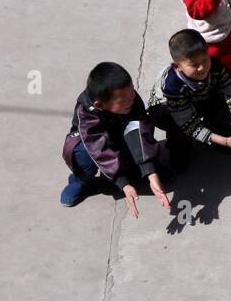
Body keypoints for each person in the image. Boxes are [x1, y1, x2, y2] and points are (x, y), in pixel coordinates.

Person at [60, 62, 171, 217]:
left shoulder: (130, 99)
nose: (132, 99)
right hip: (94, 145)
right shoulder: (86, 112)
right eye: (124, 101)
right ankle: (81, 181)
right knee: (81, 151)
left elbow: (139, 132)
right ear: (100, 105)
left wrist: (150, 171)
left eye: (132, 92)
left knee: (155, 173)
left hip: (121, 139)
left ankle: (137, 169)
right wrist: (123, 183)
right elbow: (98, 148)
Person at [146, 29, 231, 171]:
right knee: (178, 128)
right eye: (194, 65)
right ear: (177, 66)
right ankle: (179, 148)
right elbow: (188, 124)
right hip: (168, 110)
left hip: (197, 98)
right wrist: (225, 140)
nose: (202, 67)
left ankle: (216, 134)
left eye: (205, 59)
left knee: (218, 100)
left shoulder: (215, 66)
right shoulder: (172, 86)